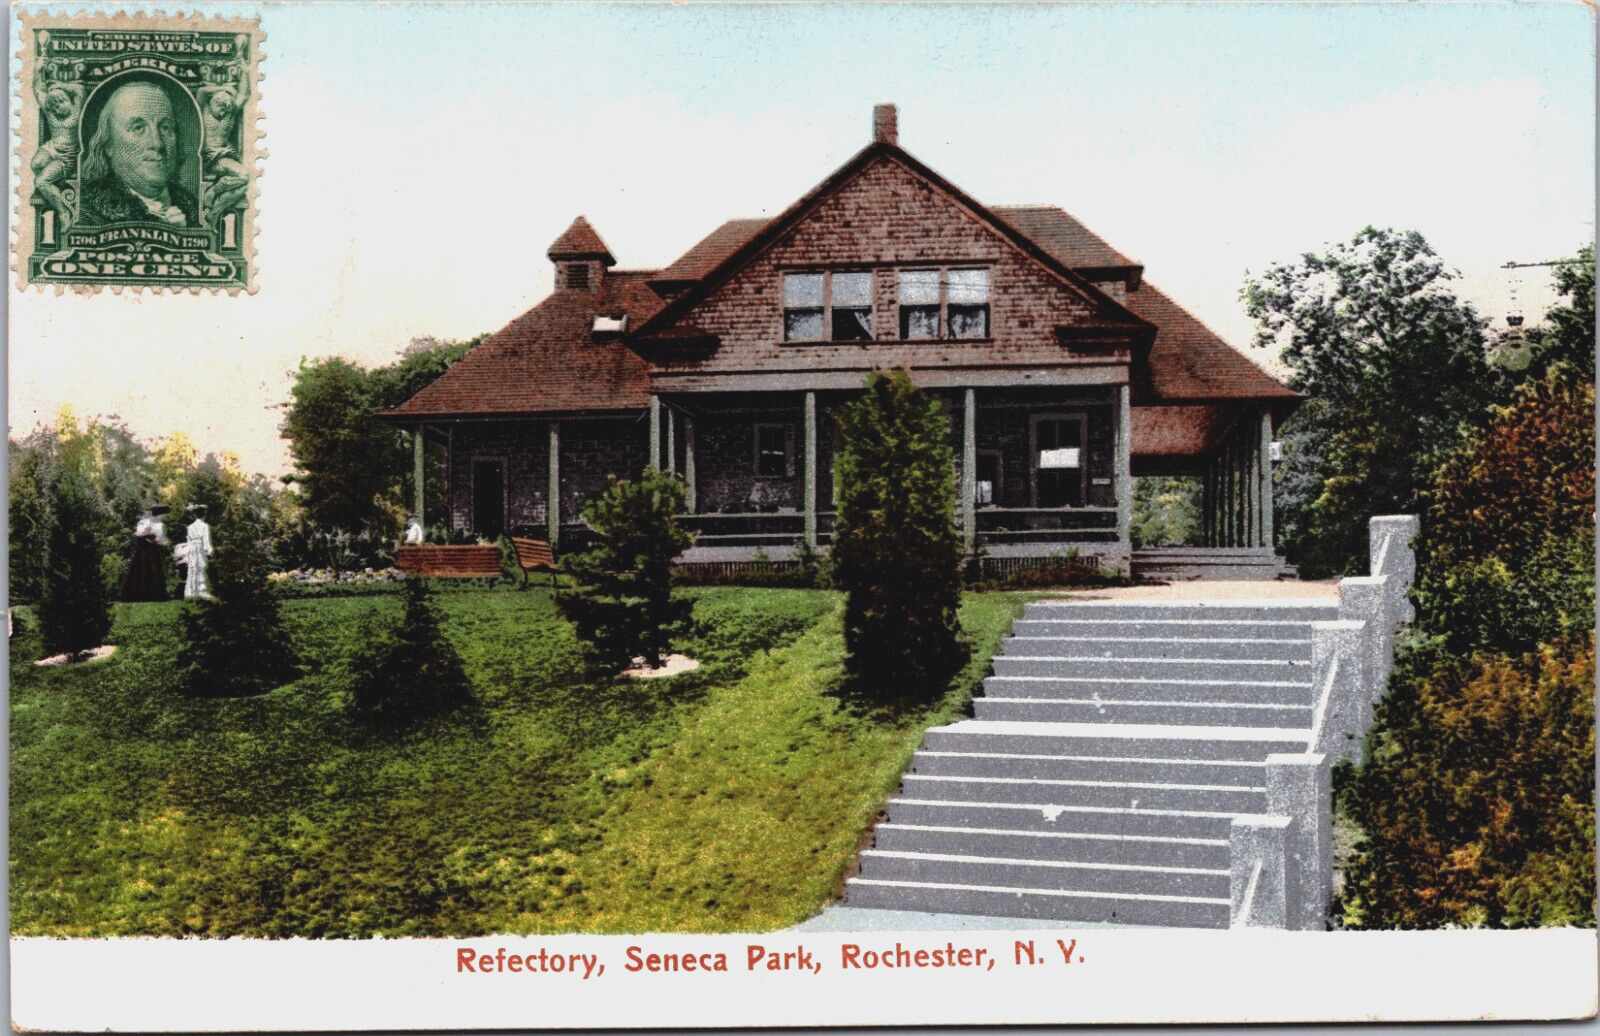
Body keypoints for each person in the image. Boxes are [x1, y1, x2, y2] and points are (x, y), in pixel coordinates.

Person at [77, 80, 199, 228]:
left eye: (165, 127)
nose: (157, 143)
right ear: (108, 144)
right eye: (138, 127)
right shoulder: (85, 212)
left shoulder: (194, 208)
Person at [118, 505, 170, 602]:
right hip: (146, 551)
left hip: (151, 550)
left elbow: (157, 538)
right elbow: (141, 535)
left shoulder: (155, 523)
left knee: (149, 572)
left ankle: (150, 594)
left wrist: (159, 543)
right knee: (145, 572)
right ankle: (145, 595)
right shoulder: (150, 522)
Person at [183, 503, 214, 599]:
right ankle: (201, 590)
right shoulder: (204, 526)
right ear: (204, 514)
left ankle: (192, 590)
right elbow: (205, 539)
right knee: (201, 567)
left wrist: (188, 550)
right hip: (200, 547)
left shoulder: (190, 527)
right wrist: (208, 550)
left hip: (192, 548)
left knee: (193, 568)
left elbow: (188, 540)